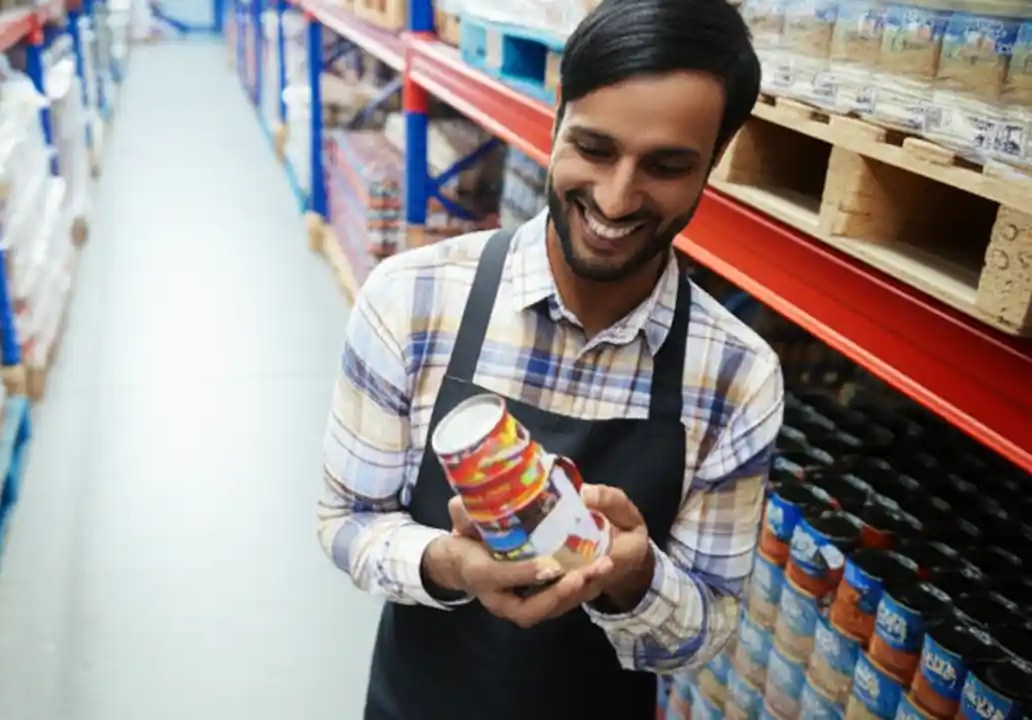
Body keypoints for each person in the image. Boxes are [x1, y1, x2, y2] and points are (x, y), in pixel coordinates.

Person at [317, 0, 783, 716]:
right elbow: (346, 520)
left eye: (665, 165)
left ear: (713, 165)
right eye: (594, 148)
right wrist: (451, 563)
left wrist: (635, 580)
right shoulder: (412, 300)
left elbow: (706, 628)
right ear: (555, 118)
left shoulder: (736, 377)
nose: (617, 197)